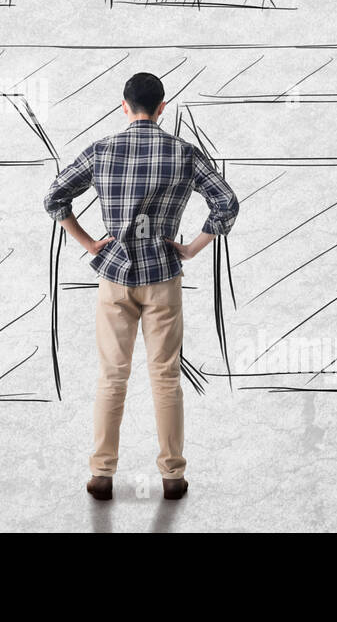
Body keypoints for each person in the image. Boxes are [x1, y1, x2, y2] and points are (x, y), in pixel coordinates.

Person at [43, 72, 238, 501]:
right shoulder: (185, 153)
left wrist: (92, 243)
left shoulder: (101, 150)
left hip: (115, 277)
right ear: (162, 107)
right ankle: (172, 477)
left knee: (112, 376)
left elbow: (55, 198)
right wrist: (192, 248)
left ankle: (100, 473)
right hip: (163, 277)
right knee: (166, 377)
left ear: (124, 105)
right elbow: (226, 202)